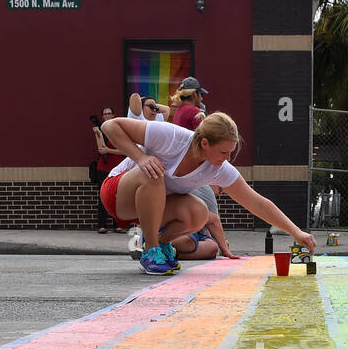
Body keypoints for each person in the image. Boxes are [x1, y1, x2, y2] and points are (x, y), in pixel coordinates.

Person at [100, 112, 314, 275]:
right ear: (204, 143)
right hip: (118, 195)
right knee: (155, 172)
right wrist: (140, 157)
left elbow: (256, 202)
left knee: (200, 213)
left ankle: (161, 243)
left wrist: (297, 233)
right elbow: (110, 125)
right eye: (223, 152)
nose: (228, 158)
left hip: (149, 208)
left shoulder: (218, 168)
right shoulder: (173, 137)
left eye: (231, 152)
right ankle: (150, 252)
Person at [168, 183, 245, 260]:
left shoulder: (201, 188)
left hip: (193, 231)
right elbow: (213, 221)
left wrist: (215, 242)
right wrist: (225, 250)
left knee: (212, 247)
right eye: (220, 189)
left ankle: (171, 254)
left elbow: (207, 223)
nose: (220, 193)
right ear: (213, 181)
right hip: (180, 229)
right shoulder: (205, 187)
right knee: (189, 241)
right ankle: (159, 244)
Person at [90, 106, 126, 234]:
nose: (107, 116)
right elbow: (101, 149)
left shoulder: (119, 131)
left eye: (109, 113)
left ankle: (118, 225)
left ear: (113, 115)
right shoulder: (99, 130)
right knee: (103, 196)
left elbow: (125, 150)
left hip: (118, 166)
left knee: (118, 196)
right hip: (103, 167)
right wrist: (98, 134)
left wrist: (109, 151)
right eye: (104, 114)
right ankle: (102, 225)